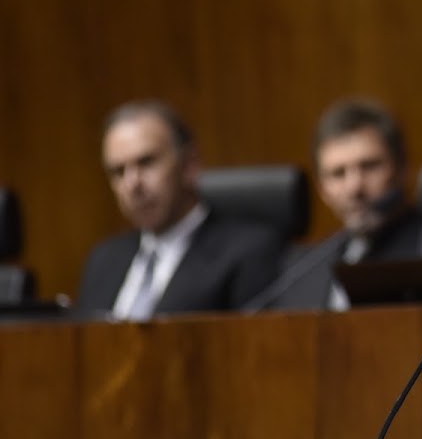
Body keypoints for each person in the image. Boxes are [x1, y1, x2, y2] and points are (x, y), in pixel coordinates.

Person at [77, 101, 284, 319]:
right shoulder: (103, 259)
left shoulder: (247, 251)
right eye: (118, 172)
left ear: (189, 165)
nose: (132, 184)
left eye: (146, 163)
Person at [265, 98, 422, 310]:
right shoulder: (301, 267)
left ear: (403, 169)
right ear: (322, 188)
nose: (354, 188)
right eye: (338, 174)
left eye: (369, 166)